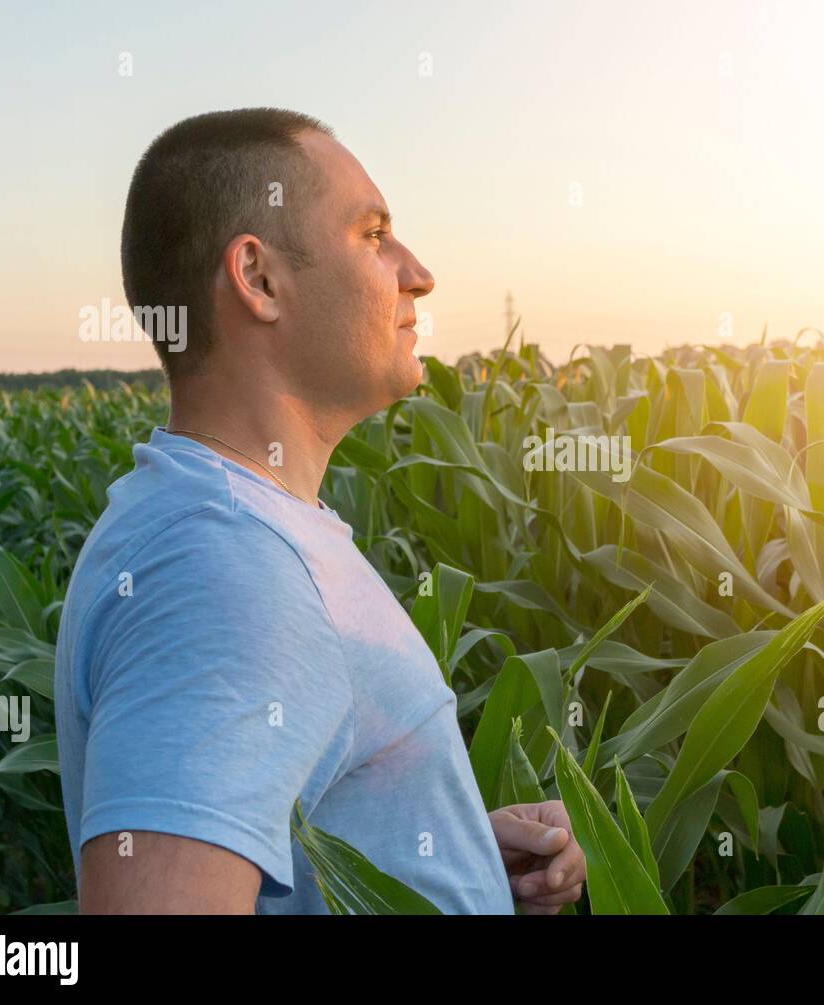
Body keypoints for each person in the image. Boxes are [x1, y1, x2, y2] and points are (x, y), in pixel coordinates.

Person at [53, 108, 586, 914]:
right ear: (259, 279)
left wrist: (445, 854)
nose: (418, 272)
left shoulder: (239, 523)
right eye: (373, 235)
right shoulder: (223, 569)